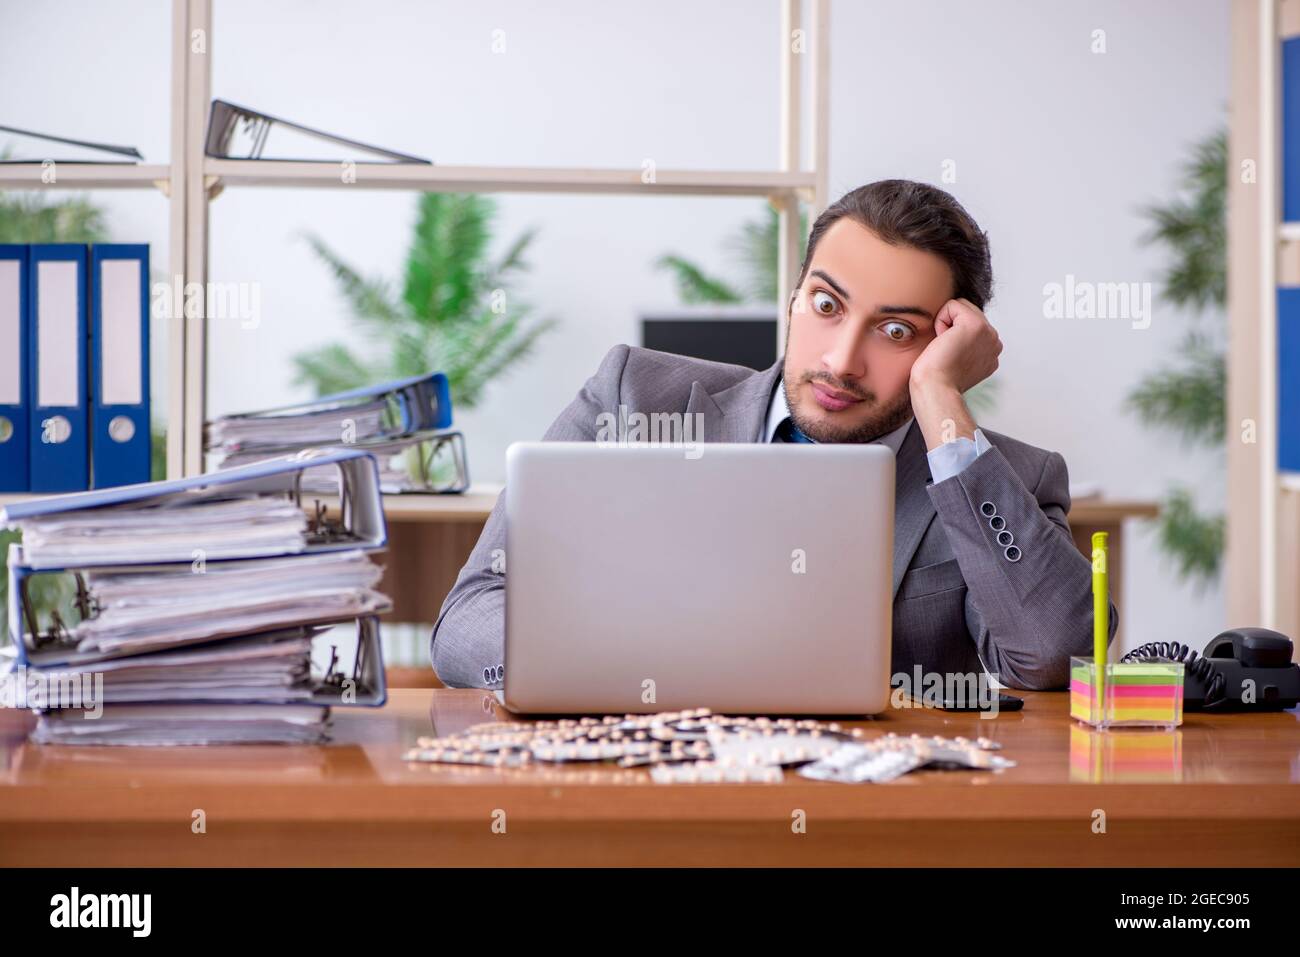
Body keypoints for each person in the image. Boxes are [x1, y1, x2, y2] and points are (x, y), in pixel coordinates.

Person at [431, 179, 1116, 691]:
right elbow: (468, 618)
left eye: (896, 329)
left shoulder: (1002, 480)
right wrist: (644, 669)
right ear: (794, 298)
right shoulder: (632, 395)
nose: (842, 360)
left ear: (948, 340)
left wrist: (940, 402)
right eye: (826, 305)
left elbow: (1053, 653)